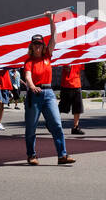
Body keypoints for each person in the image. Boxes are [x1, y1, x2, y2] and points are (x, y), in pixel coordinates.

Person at [23, 12, 75, 165]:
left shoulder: (47, 56)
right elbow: (27, 76)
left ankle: (62, 155)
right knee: (31, 127)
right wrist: (32, 86)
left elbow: (54, 37)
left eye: (40, 44)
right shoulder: (29, 61)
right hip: (34, 95)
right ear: (31, 46)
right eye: (35, 44)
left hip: (48, 94)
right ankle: (31, 155)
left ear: (43, 45)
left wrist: (51, 20)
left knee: (56, 124)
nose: (37, 46)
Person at [58, 62, 86, 134]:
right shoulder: (67, 57)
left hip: (77, 85)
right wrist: (68, 66)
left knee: (78, 108)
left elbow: (80, 69)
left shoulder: (80, 59)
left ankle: (75, 127)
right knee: (62, 107)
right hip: (66, 85)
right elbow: (66, 68)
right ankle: (51, 121)